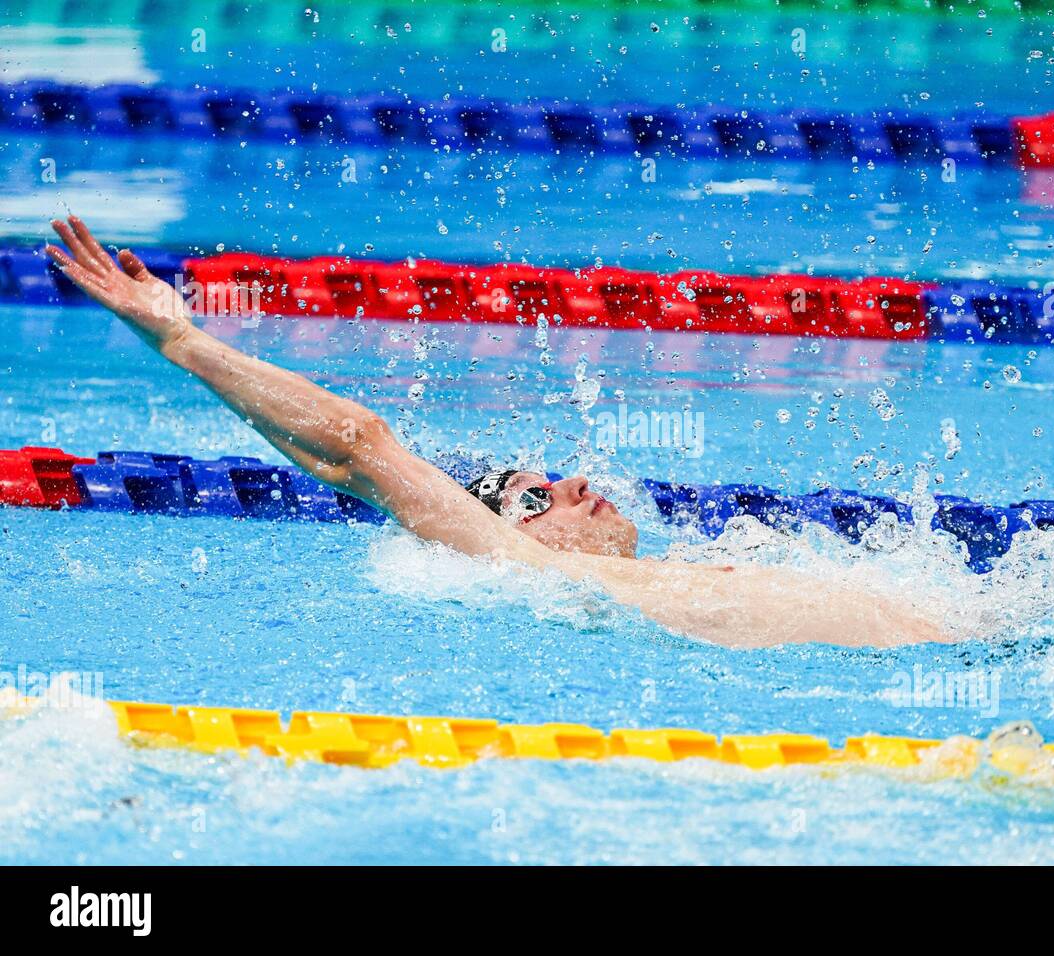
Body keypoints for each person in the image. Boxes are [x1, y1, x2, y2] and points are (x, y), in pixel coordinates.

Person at [45, 217, 954, 649]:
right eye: (532, 497)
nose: (569, 486)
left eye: (547, 480)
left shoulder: (635, 574)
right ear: (495, 532)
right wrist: (183, 338)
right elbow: (358, 447)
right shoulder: (523, 569)